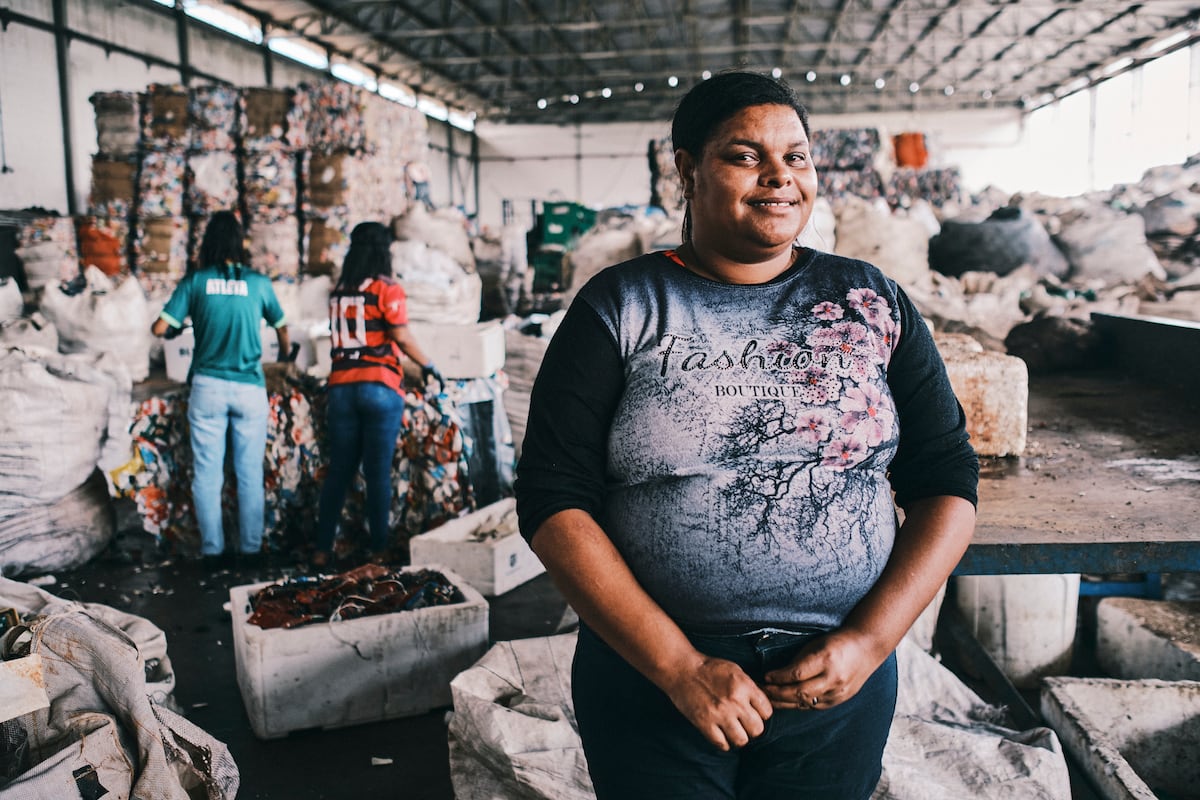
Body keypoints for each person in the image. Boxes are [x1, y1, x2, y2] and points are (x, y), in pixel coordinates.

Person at [513, 71, 979, 800]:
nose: (779, 178)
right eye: (745, 155)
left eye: (796, 157)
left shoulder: (871, 301)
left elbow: (947, 480)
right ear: (687, 168)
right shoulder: (623, 305)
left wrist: (871, 642)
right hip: (652, 682)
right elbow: (552, 496)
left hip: (837, 684)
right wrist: (677, 667)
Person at [152, 210, 290, 569]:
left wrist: (175, 329)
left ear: (208, 243)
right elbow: (282, 326)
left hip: (208, 387)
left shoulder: (196, 282)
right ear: (239, 243)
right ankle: (251, 550)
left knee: (207, 474)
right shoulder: (259, 283)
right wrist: (286, 356)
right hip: (249, 389)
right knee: (249, 475)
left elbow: (159, 328)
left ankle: (212, 552)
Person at [312, 221, 442, 568]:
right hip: (380, 388)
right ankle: (379, 549)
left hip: (340, 389)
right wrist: (428, 365)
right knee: (377, 472)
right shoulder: (387, 289)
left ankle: (322, 549)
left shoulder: (340, 290)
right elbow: (400, 336)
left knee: (338, 471)